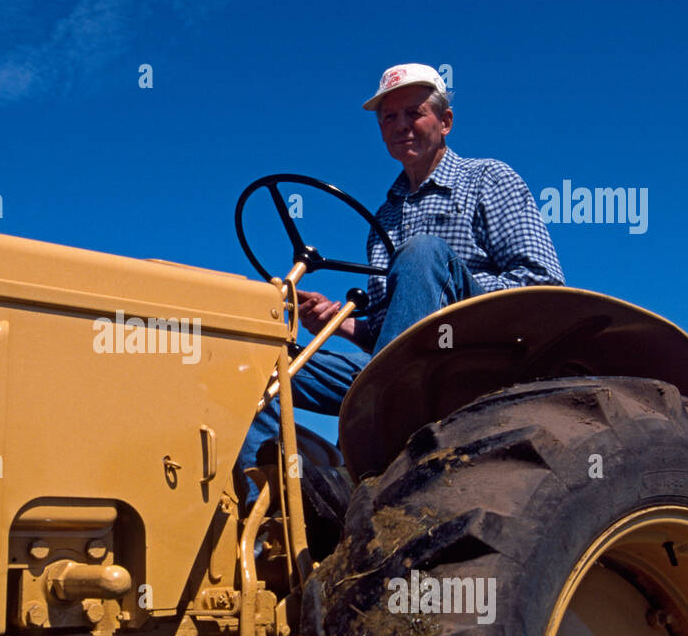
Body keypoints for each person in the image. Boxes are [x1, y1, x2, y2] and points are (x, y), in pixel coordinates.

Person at [236, 62, 564, 509]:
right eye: (389, 117)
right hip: (393, 364)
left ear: (445, 122)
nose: (401, 125)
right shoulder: (384, 218)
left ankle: (380, 460)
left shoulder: (489, 179)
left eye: (415, 112)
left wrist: (438, 285)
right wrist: (334, 321)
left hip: (477, 355)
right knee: (246, 366)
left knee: (424, 252)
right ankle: (287, 514)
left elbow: (541, 281)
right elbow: (383, 328)